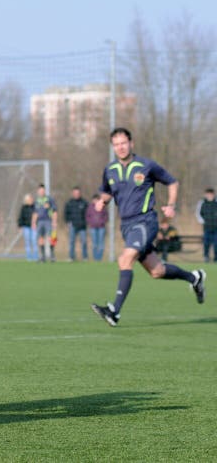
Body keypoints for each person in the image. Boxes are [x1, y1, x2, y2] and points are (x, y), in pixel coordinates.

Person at [91, 128, 206, 326]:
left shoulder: (146, 165)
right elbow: (107, 192)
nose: (120, 147)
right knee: (157, 271)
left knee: (125, 259)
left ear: (131, 143)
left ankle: (114, 311)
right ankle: (194, 278)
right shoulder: (109, 170)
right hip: (126, 226)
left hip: (145, 222)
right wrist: (103, 201)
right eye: (116, 144)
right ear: (113, 147)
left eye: (123, 143)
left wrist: (171, 205)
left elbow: (172, 182)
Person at [32, 184, 57, 262]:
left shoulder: (49, 199)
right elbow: (35, 212)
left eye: (43, 190)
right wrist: (33, 222)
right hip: (39, 221)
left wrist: (54, 221)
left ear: (45, 191)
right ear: (38, 191)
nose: (41, 192)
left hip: (48, 220)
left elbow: (54, 211)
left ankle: (52, 255)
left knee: (52, 237)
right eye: (40, 191)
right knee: (40, 238)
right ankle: (42, 256)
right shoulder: (37, 200)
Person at [64, 186, 88, 261]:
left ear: (80, 193)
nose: (76, 194)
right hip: (73, 225)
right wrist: (68, 222)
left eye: (78, 193)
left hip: (82, 226)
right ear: (73, 193)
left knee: (84, 242)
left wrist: (86, 222)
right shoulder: (69, 203)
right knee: (72, 241)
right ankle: (71, 257)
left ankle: (85, 257)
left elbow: (88, 214)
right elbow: (66, 214)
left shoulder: (84, 202)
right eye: (75, 193)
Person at [195, 188, 217, 263]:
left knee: (216, 244)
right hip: (206, 227)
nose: (209, 195)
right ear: (205, 194)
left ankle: (216, 258)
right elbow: (198, 213)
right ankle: (206, 256)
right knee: (206, 243)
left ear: (213, 194)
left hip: (216, 227)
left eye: (211, 194)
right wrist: (203, 221)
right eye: (208, 194)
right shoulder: (202, 203)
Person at [86, 193, 108, 261]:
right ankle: (95, 258)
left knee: (101, 243)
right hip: (93, 227)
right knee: (94, 243)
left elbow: (106, 216)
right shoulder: (90, 207)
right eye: (94, 200)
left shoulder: (103, 207)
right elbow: (87, 216)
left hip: (101, 227)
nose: (95, 201)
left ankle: (99, 258)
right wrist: (90, 222)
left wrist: (103, 222)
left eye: (96, 200)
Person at [18, 193, 38, 261]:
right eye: (29, 199)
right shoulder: (23, 207)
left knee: (34, 241)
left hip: (33, 227)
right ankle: (29, 257)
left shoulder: (35, 206)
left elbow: (37, 215)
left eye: (31, 199)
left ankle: (35, 257)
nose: (30, 200)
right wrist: (20, 225)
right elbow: (21, 217)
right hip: (26, 227)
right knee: (27, 242)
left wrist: (35, 223)